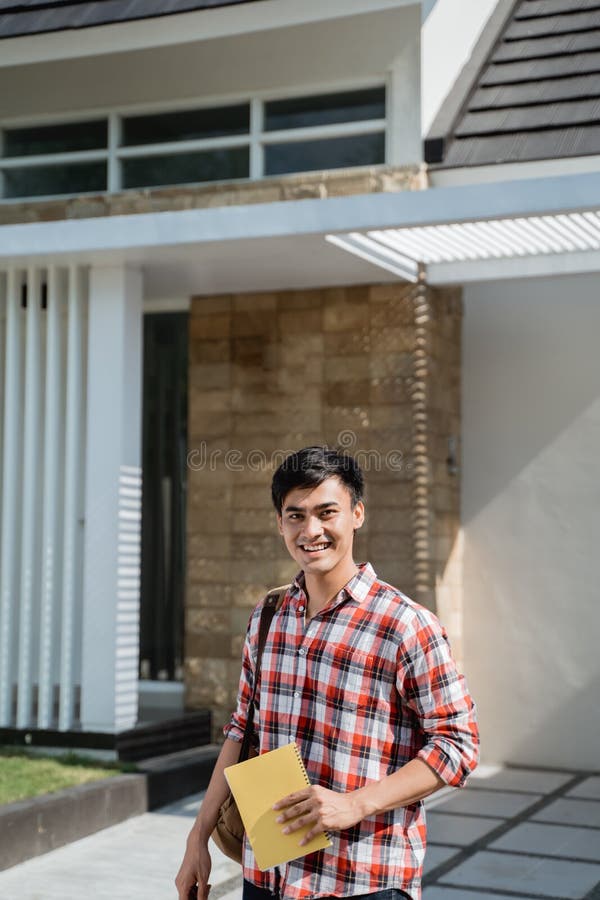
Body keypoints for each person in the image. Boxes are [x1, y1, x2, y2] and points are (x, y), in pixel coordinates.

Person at [176, 446, 479, 900]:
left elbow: (458, 745)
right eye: (295, 516)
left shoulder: (405, 624)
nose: (310, 530)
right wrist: (197, 837)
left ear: (357, 514)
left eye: (326, 512)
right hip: (267, 877)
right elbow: (241, 732)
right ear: (280, 523)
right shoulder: (268, 615)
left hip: (360, 881)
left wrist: (355, 804)